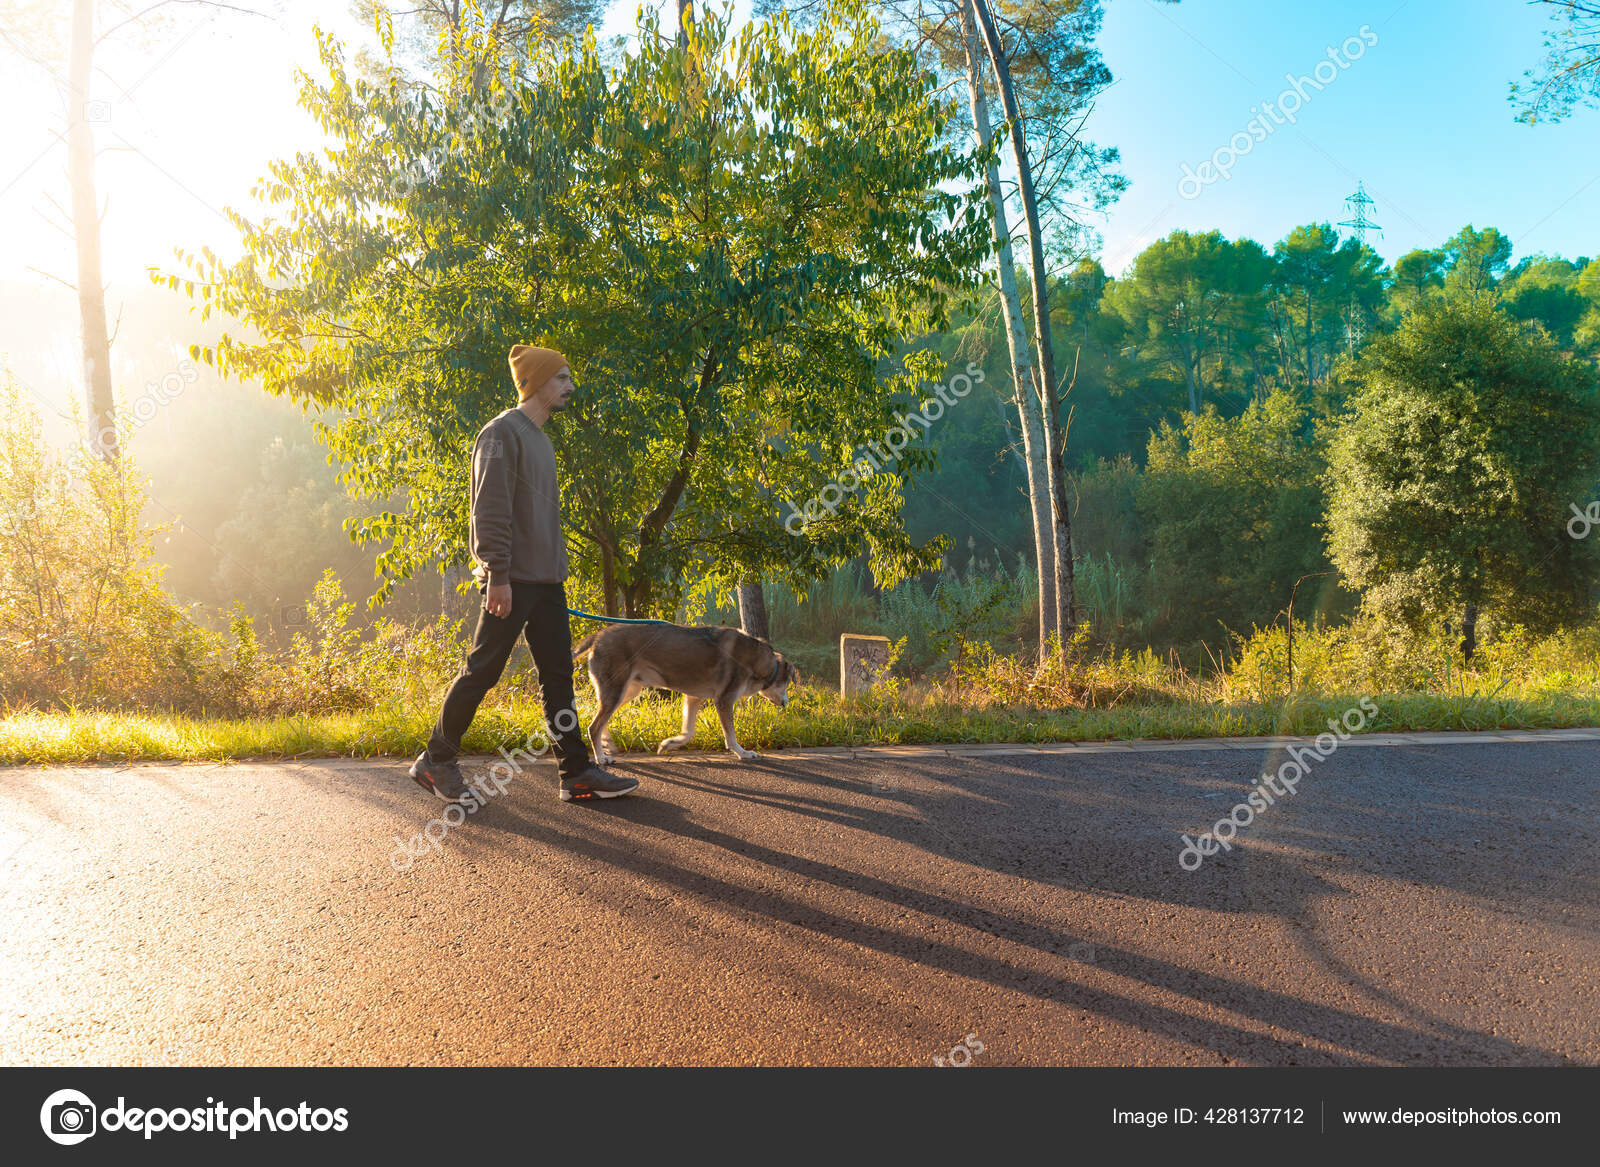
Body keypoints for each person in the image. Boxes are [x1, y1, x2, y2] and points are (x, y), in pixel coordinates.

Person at [408, 344, 639, 804]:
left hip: (546, 581)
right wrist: (497, 573)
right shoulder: (501, 433)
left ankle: (575, 772)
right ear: (536, 383)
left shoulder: (541, 438)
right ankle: (436, 759)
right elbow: (488, 509)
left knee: (558, 676)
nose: (571, 387)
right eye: (562, 378)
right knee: (483, 670)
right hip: (511, 580)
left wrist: (554, 572)